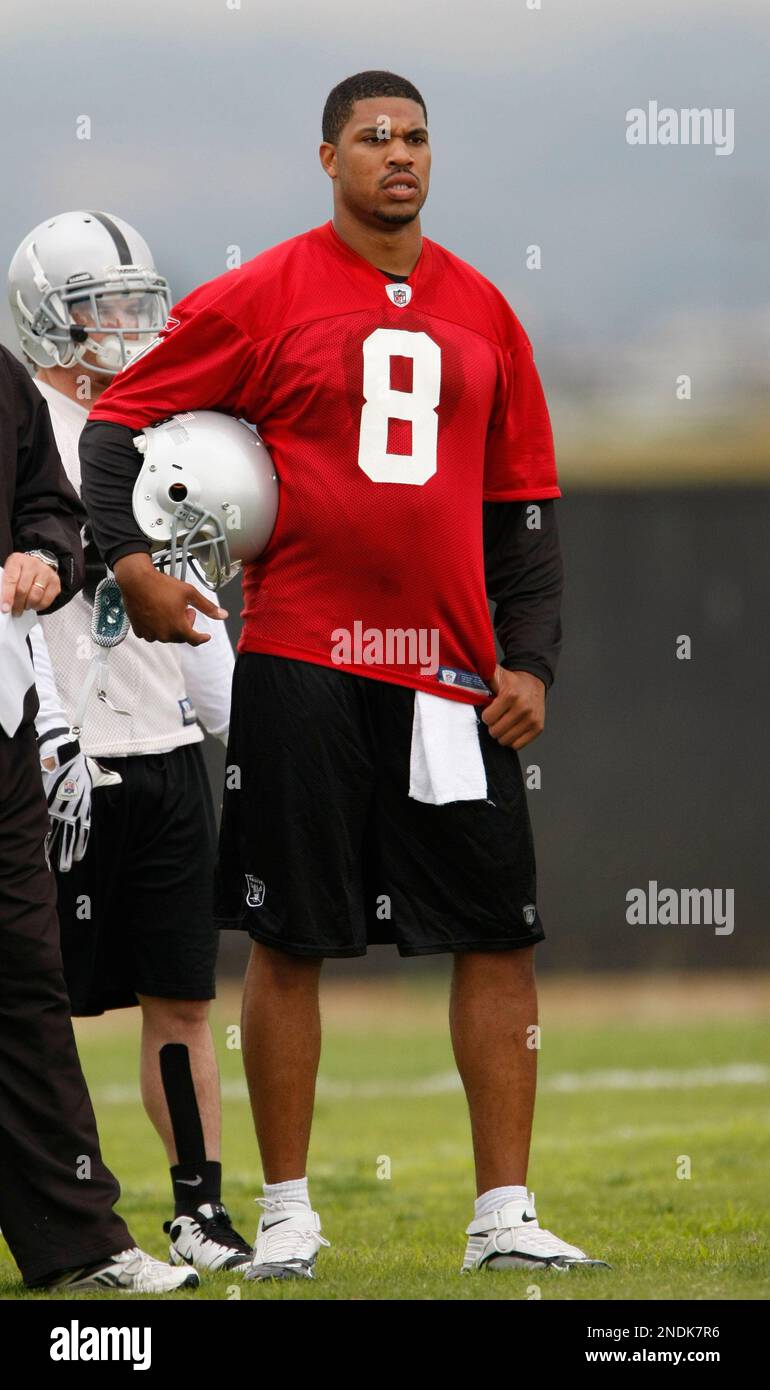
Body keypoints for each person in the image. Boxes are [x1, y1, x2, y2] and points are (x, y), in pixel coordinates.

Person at [79, 71, 608, 1278]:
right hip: (302, 662)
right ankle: (286, 1212)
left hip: (449, 678)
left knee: (498, 935)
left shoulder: (483, 309)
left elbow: (521, 509)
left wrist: (530, 658)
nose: (398, 155)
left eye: (415, 137)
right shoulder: (265, 292)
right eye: (373, 138)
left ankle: (504, 1212)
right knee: (288, 936)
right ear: (328, 160)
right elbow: (119, 427)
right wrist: (131, 564)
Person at [7, 210, 252, 1273]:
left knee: (183, 996)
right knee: (28, 999)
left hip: (158, 743)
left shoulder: (164, 431)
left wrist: (235, 726)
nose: (121, 325)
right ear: (42, 314)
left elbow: (197, 595)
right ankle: (64, 1214)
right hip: (53, 757)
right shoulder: (27, 429)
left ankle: (195, 1206)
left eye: (133, 303)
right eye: (97, 306)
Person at [0, 342, 198, 1292]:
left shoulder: (0, 381)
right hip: (44, 724)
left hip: (5, 726)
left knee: (25, 983)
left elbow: (50, 508)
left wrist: (42, 557)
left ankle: (80, 1247)